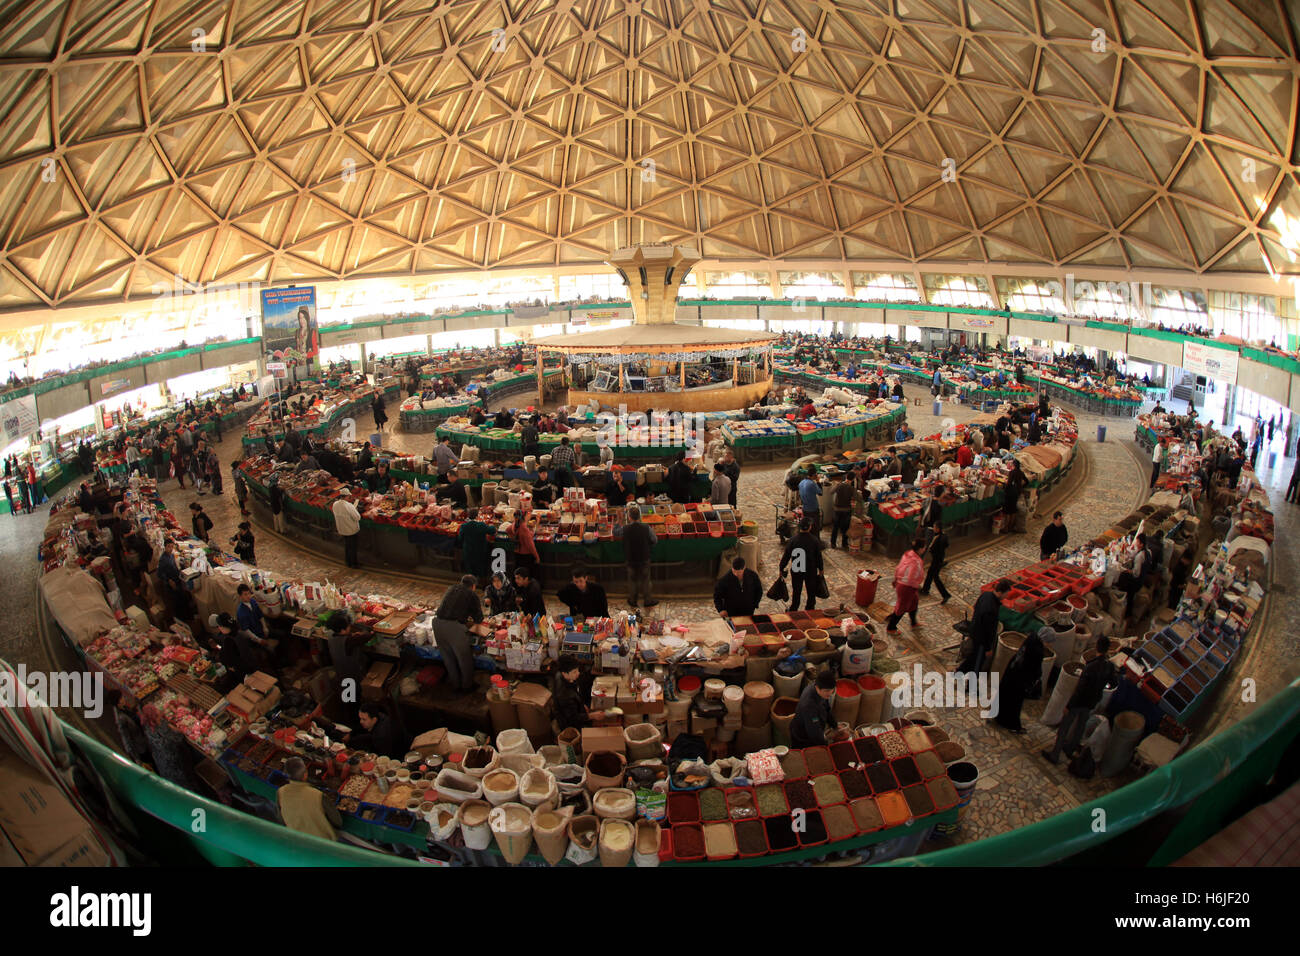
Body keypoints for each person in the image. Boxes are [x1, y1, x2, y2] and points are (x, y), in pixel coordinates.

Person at [1043, 637, 1116, 765]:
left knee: (1065, 727)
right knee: (1080, 727)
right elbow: (1113, 682)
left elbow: (1080, 689)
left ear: (1097, 647)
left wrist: (1069, 706)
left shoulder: (1091, 666)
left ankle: (1055, 754)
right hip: (1091, 703)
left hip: (1079, 702)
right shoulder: (1109, 666)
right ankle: (1070, 749)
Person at [434, 574, 484, 692]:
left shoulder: (451, 588)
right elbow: (479, 618)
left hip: (436, 623)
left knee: (448, 657)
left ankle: (455, 685)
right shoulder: (472, 594)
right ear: (473, 586)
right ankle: (467, 686)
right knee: (464, 658)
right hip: (453, 627)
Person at [140, 704, 203, 792]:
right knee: (185, 781)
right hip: (173, 762)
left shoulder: (151, 725)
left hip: (165, 760)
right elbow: (176, 739)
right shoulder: (160, 731)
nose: (158, 710)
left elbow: (170, 727)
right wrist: (182, 732)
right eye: (156, 710)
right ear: (154, 715)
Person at [277, 756, 343, 841]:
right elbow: (338, 822)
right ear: (305, 774)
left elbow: (281, 819)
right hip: (324, 843)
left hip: (297, 840)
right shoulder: (318, 795)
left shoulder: (280, 792)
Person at [994, 631, 1045, 733]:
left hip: (1012, 674)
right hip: (1020, 681)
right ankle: (1012, 725)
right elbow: (1034, 669)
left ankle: (998, 716)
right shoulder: (1037, 650)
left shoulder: (1030, 640)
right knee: (1014, 704)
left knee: (1004, 697)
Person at [961, 579, 1011, 673]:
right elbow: (987, 630)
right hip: (981, 641)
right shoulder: (991, 609)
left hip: (974, 631)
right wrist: (988, 648)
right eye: (1006, 594)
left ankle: (958, 672)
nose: (1007, 596)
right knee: (977, 664)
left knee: (973, 658)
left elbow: (975, 608)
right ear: (1000, 592)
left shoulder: (986, 595)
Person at [779, 517, 824, 612]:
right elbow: (818, 557)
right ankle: (810, 608)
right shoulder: (814, 540)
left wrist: (781, 568)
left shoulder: (793, 540)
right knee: (811, 591)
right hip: (810, 570)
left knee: (797, 591)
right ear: (809, 527)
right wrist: (821, 569)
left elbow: (786, 555)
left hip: (797, 570)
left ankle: (794, 608)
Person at [885, 538, 926, 632]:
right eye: (924, 547)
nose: (924, 549)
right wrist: (916, 586)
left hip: (901, 583)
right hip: (907, 587)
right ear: (920, 549)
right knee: (901, 608)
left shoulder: (908, 554)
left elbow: (898, 567)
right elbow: (911, 578)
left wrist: (896, 579)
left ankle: (914, 623)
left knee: (914, 602)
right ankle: (891, 628)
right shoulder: (916, 561)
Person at [789, 671, 837, 749]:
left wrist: (835, 725)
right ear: (817, 688)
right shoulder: (809, 705)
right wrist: (826, 745)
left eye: (832, 690)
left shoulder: (822, 692)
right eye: (827, 691)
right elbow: (814, 733)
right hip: (802, 737)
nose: (830, 693)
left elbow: (827, 709)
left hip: (813, 729)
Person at [623, 504, 658, 611]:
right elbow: (654, 540)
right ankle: (648, 601)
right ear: (639, 516)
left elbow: (616, 532)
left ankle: (633, 600)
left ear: (629, 517)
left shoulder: (625, 528)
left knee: (632, 580)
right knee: (646, 580)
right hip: (644, 558)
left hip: (631, 559)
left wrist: (618, 521)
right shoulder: (646, 527)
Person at [552, 655, 591, 731]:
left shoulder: (564, 677)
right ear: (564, 673)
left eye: (578, 670)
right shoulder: (564, 695)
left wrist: (582, 705)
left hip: (575, 710)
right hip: (569, 724)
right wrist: (591, 716)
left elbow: (576, 692)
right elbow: (573, 718)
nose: (578, 673)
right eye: (574, 672)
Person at [919, 522, 950, 603]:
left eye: (935, 527)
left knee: (935, 577)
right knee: (930, 574)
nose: (934, 529)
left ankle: (945, 595)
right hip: (938, 559)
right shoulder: (943, 536)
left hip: (937, 560)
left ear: (938, 529)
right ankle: (925, 589)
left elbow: (933, 548)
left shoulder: (939, 538)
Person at [332, 490, 362, 568]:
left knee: (347, 546)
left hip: (342, 529)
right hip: (351, 530)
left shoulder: (335, 504)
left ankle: (348, 562)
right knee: (352, 547)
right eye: (350, 497)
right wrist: (356, 510)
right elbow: (357, 517)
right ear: (347, 496)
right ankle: (354, 564)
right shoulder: (349, 505)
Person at [829, 472, 854, 549]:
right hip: (847, 510)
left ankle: (833, 543)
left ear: (846, 477)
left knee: (835, 527)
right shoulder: (851, 488)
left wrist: (836, 485)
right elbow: (858, 498)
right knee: (845, 527)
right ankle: (844, 543)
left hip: (837, 509)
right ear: (852, 479)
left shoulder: (839, 485)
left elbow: (831, 492)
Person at [798, 468, 822, 536]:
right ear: (814, 475)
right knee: (815, 528)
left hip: (805, 508)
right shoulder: (812, 483)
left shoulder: (801, 483)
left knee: (807, 527)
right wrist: (818, 481)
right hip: (813, 509)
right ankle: (816, 543)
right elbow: (820, 492)